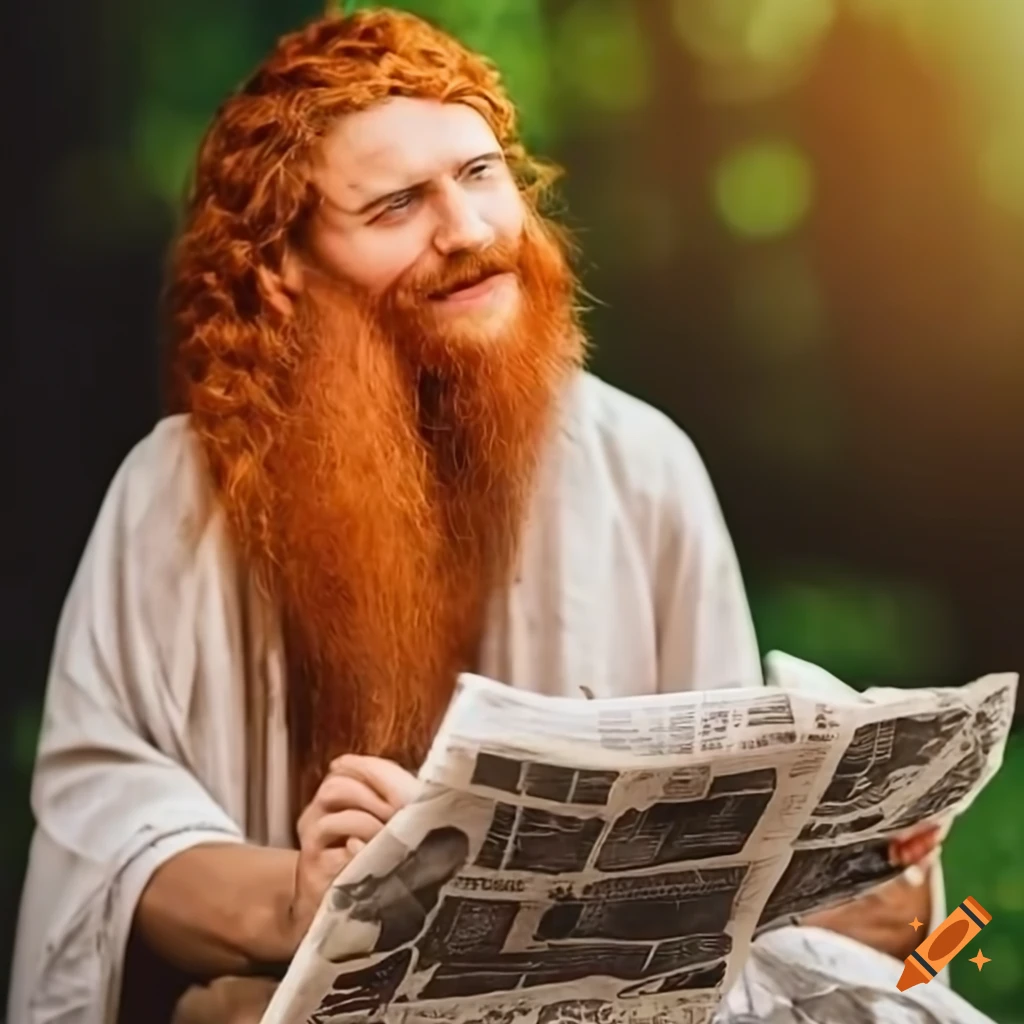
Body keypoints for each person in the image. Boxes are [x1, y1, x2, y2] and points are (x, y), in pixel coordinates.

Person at [8, 7, 937, 1024]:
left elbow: (712, 869)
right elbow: (109, 830)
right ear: (286, 271)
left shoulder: (643, 466)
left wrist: (879, 914)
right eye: (396, 203)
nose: (468, 231)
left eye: (480, 172)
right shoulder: (176, 495)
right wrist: (302, 901)